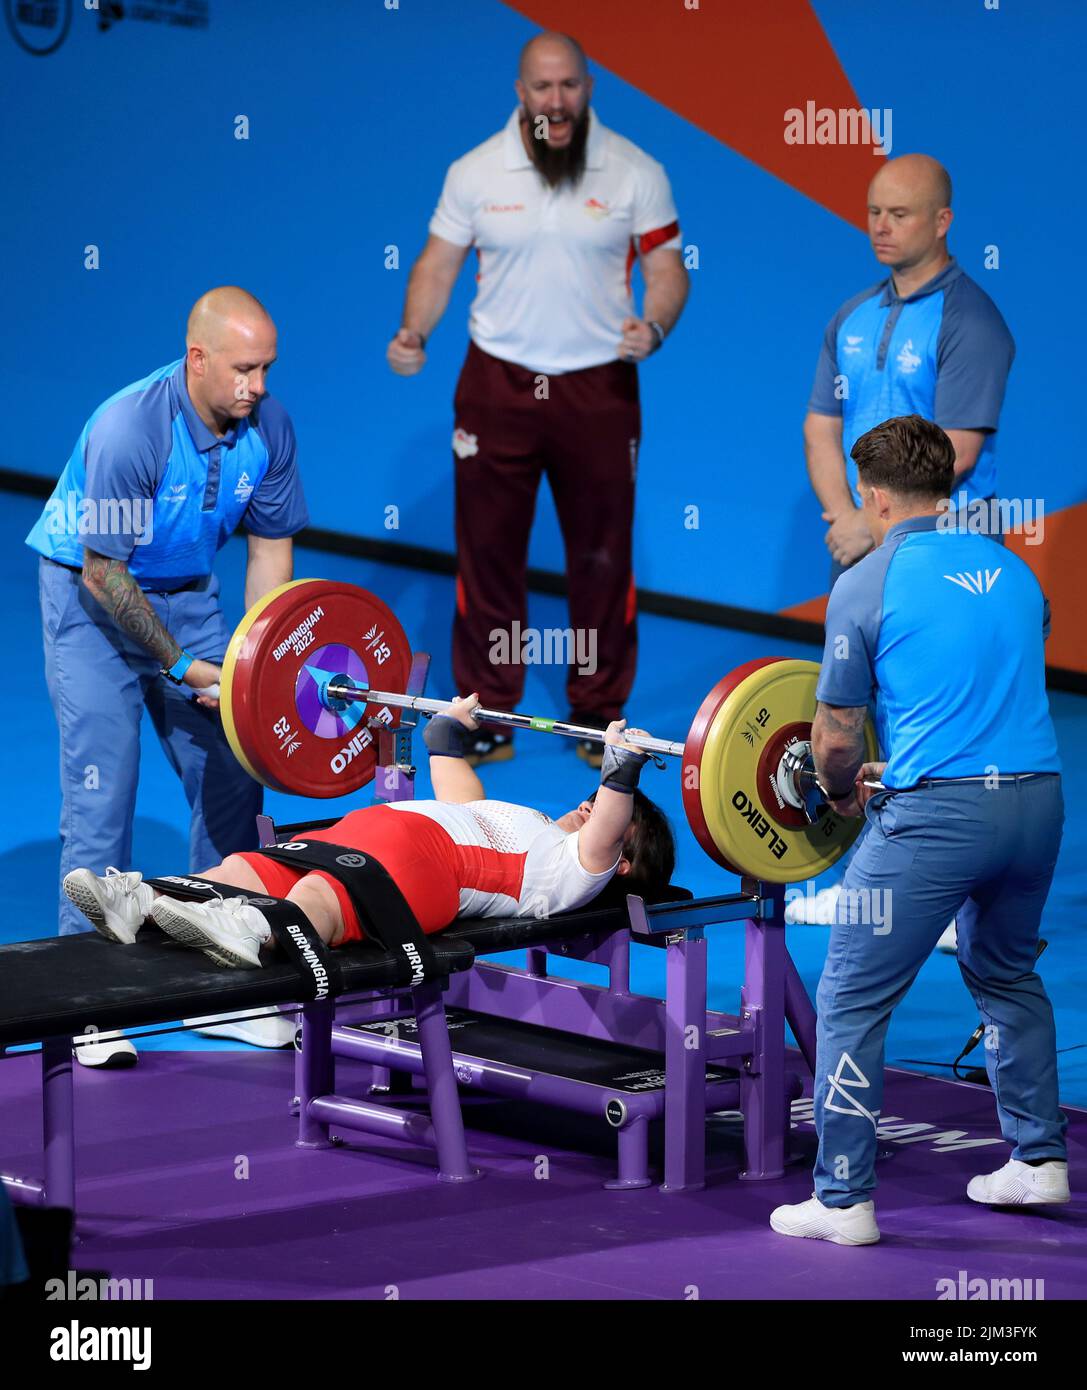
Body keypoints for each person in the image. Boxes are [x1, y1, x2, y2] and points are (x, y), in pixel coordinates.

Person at [771, 415, 1067, 1246]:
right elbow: (979, 671)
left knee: (849, 997)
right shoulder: (1013, 572)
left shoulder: (866, 581)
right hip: (1036, 806)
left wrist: (841, 794)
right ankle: (1037, 1160)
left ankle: (840, 1201)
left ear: (871, 495)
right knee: (1006, 975)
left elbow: (834, 735)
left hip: (936, 820)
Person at [387, 30, 688, 768]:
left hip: (598, 388)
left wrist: (655, 323)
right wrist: (413, 331)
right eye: (542, 87)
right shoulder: (474, 171)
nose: (556, 101)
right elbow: (436, 263)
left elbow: (669, 267)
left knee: (601, 557)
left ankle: (598, 714)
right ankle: (487, 712)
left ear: (588, 89)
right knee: (487, 553)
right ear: (519, 93)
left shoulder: (633, 171)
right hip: (497, 384)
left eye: (569, 86)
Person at [26, 287, 309, 1061]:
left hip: (189, 597)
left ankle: (219, 989)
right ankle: (87, 1003)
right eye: (244, 370)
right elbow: (103, 574)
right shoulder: (129, 429)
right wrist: (184, 666)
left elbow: (269, 555)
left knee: (233, 772)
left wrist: (259, 662)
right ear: (198, 360)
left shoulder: (269, 427)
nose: (257, 386)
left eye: (266, 370)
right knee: (101, 792)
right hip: (90, 600)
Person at [798, 154, 1016, 949]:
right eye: (872, 213)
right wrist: (843, 514)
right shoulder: (851, 316)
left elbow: (954, 450)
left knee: (944, 718)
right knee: (863, 716)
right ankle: (870, 883)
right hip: (867, 537)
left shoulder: (972, 322)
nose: (880, 227)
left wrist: (872, 526)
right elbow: (820, 426)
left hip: (944, 550)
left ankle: (961, 905)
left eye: (898, 214)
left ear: (941, 221)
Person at [62, 700, 676, 968]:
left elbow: (609, 822)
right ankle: (146, 903)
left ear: (621, 857)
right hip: (371, 831)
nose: (587, 804)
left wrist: (620, 765)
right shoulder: (534, 827)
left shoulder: (576, 867)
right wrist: (446, 729)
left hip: (427, 869)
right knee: (244, 870)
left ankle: (251, 930)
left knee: (325, 897)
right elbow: (455, 788)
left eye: (599, 805)